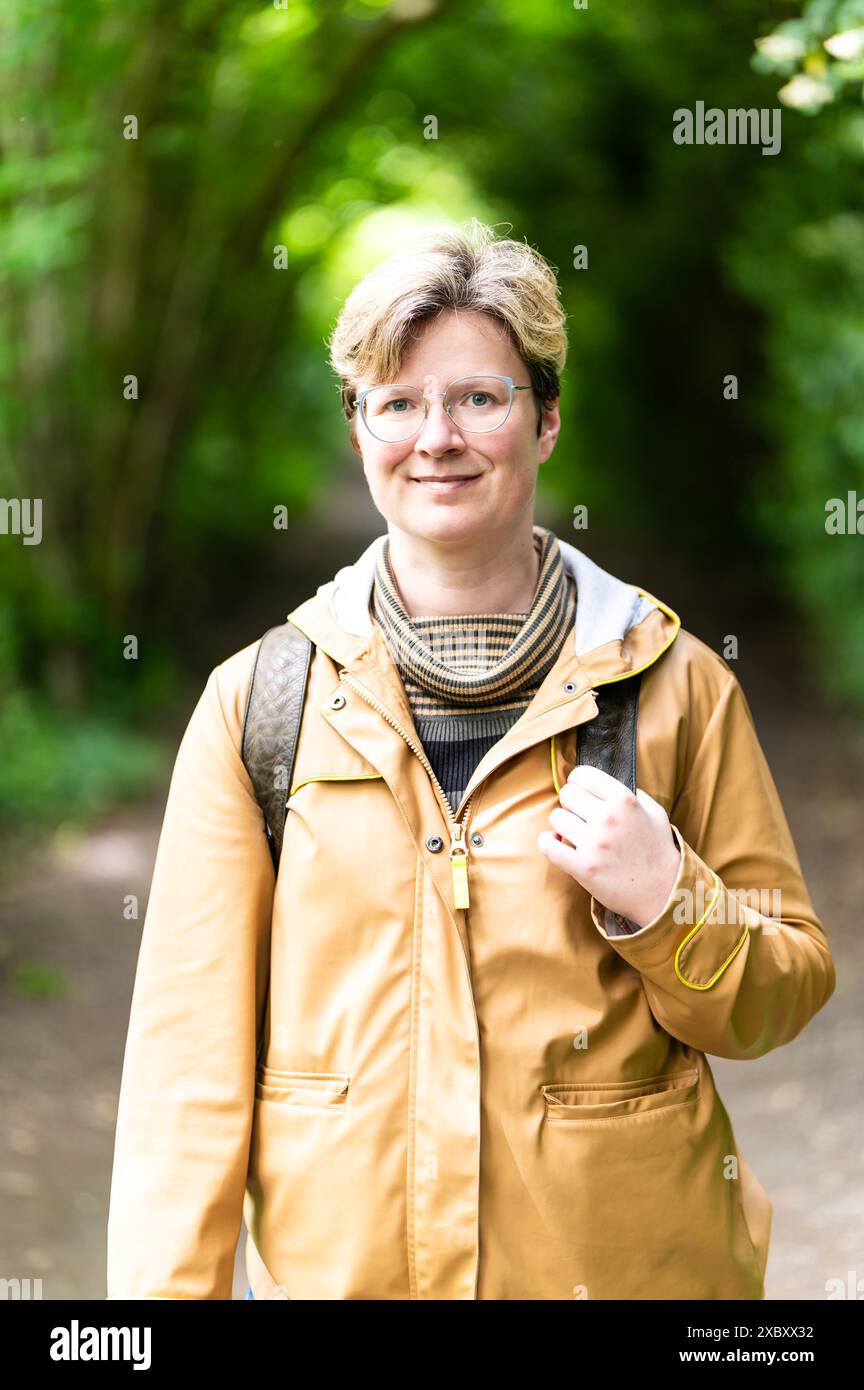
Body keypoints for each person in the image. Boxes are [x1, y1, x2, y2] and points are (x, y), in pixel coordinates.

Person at [106, 219, 835, 1301]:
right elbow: (186, 1066)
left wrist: (668, 903)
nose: (435, 436)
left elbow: (784, 991)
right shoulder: (260, 704)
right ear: (360, 432)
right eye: (397, 404)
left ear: (544, 422)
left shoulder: (677, 684)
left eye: (478, 398)